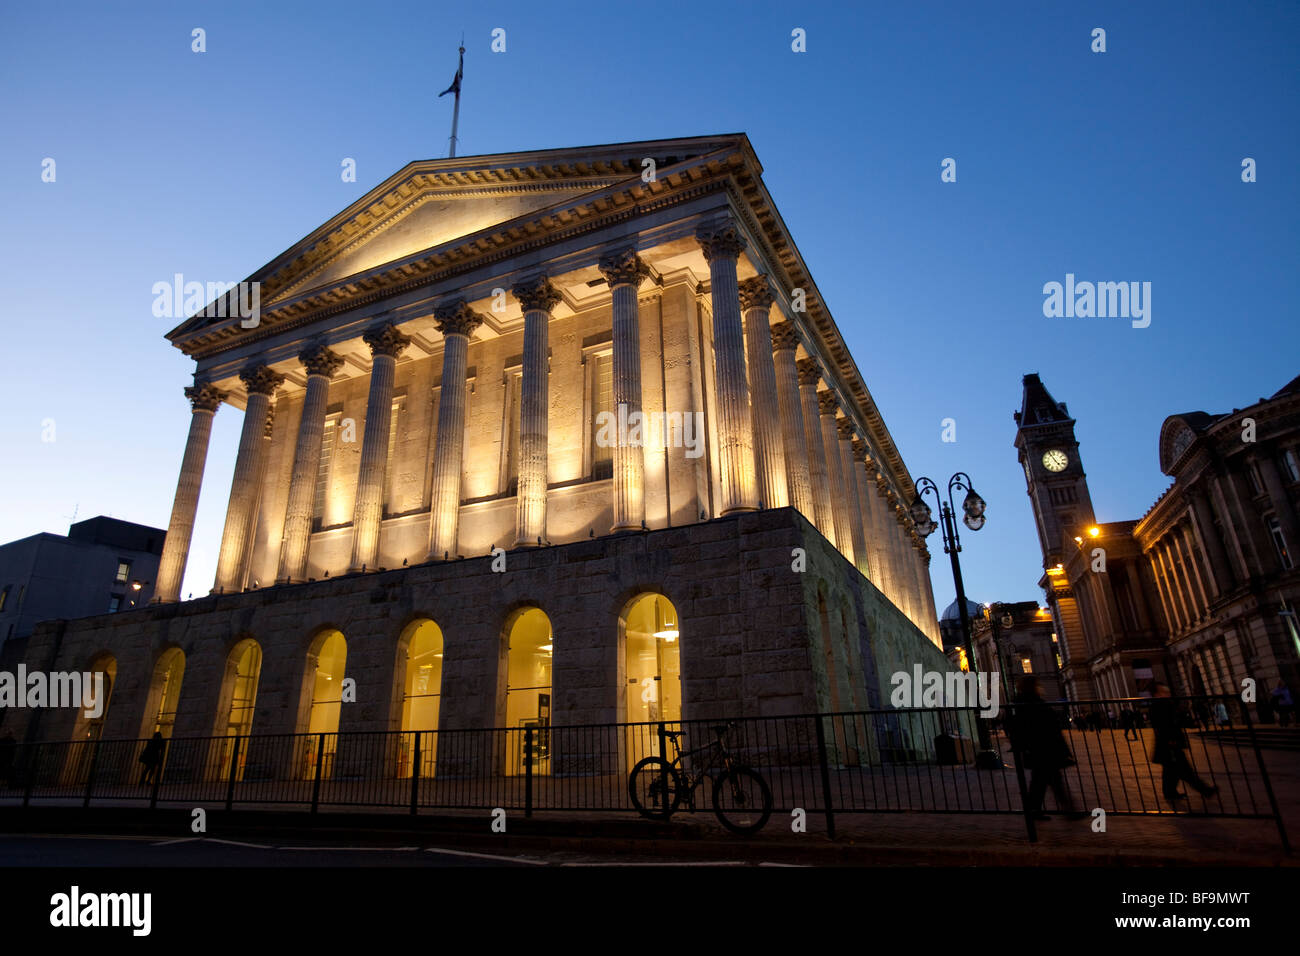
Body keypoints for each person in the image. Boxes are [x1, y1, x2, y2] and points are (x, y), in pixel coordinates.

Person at [1009, 677, 1084, 820]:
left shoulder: (1022, 701)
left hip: (1039, 748)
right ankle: (1068, 811)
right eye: (1037, 684)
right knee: (1050, 780)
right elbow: (1044, 725)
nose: (1040, 687)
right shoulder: (1031, 702)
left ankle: (1035, 811)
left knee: (1042, 781)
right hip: (1043, 747)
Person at [1149, 683, 1217, 805]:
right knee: (1185, 771)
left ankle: (1170, 792)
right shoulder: (1158, 706)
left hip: (1169, 743)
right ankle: (1205, 790)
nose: (1167, 694)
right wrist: (1170, 740)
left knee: (1170, 770)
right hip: (1170, 743)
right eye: (1164, 692)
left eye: (1167, 691)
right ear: (1157, 694)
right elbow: (1162, 725)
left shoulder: (1165, 704)